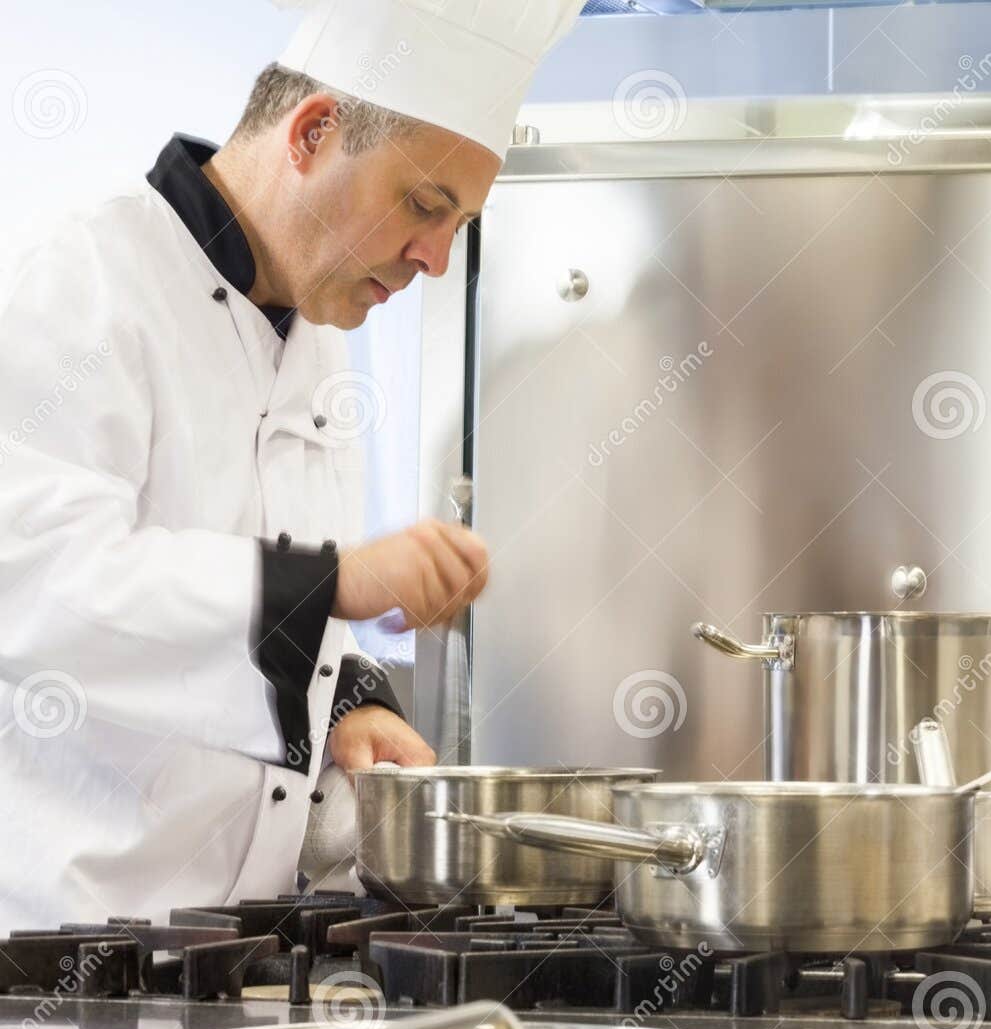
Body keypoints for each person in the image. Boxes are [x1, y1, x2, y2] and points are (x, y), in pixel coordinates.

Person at [0, 0, 586, 928]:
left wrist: (348, 699)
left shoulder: (316, 340)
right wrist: (336, 583)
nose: (435, 258)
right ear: (313, 133)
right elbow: (35, 586)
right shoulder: (80, 278)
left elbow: (261, 609)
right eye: (426, 205)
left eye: (459, 224)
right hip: (55, 961)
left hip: (234, 955)